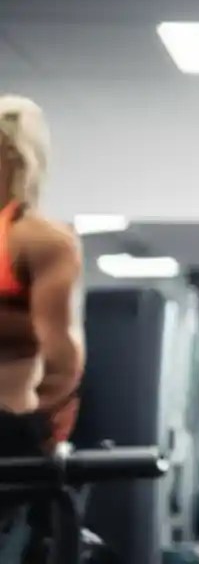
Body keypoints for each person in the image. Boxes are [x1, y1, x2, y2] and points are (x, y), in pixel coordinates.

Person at [0, 96, 85, 562]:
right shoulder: (40, 240)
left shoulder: (37, 241)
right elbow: (62, 365)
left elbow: (60, 364)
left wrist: (35, 433)